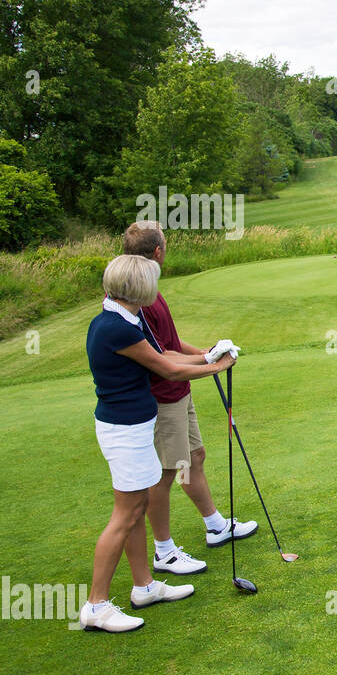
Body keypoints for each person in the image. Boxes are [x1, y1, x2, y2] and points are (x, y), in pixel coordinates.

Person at [81, 254, 237, 633]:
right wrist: (216, 368)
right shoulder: (117, 328)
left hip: (133, 424)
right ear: (141, 289)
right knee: (124, 516)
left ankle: (144, 587)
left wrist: (206, 355)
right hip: (125, 431)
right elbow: (165, 369)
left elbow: (165, 354)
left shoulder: (125, 318)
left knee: (137, 509)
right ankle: (95, 605)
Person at [123, 221, 256, 575]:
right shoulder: (140, 298)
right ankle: (164, 551)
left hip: (179, 391)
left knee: (195, 457)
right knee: (166, 474)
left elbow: (171, 342)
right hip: (163, 396)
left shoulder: (149, 288)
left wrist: (206, 351)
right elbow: (162, 358)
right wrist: (212, 363)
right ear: (157, 252)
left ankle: (214, 525)